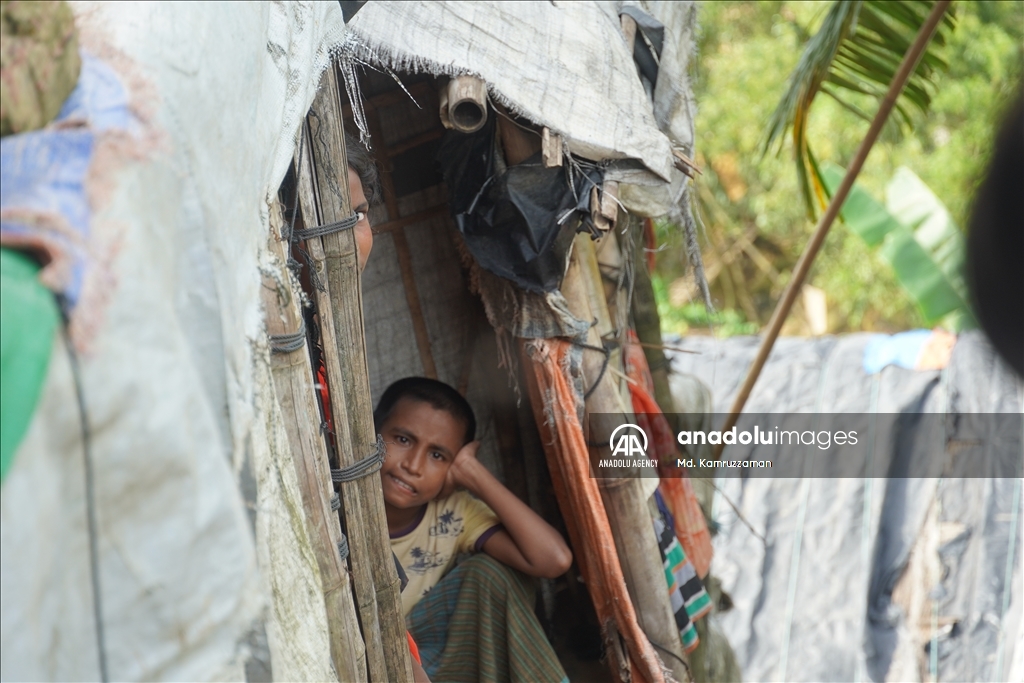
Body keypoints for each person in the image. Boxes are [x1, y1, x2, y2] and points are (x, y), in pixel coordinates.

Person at [375, 376, 573, 682]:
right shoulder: (334, 504)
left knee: (490, 574)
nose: (413, 465)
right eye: (402, 440)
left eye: (437, 455)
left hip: (432, 657)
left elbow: (554, 559)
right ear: (372, 431)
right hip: (364, 655)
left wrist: (473, 472)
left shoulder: (453, 513)